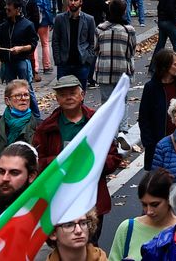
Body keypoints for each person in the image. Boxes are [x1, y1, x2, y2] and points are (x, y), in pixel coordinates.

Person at [33, 76, 123, 242]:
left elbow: (113, 157)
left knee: (90, 247)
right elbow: (37, 163)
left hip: (92, 201)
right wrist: (61, 163)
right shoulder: (46, 128)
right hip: (60, 201)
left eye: (72, 92)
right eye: (63, 93)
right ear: (57, 99)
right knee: (64, 248)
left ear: (82, 95)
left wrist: (91, 164)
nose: (69, 97)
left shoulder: (97, 122)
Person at [138, 50, 176, 170]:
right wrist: (149, 143)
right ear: (165, 67)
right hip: (159, 146)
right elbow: (144, 117)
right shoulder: (151, 88)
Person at [108, 168, 176, 260]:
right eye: (144, 204)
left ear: (169, 199)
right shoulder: (127, 228)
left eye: (155, 204)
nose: (149, 211)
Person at [0, 79, 40, 162]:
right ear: (7, 101)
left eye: (26, 95)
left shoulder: (40, 127)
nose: (23, 99)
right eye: (18, 95)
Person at [52, 0, 98, 91]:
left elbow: (92, 41)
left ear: (80, 2)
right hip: (64, 64)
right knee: (64, 95)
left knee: (80, 95)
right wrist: (58, 60)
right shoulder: (60, 19)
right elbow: (55, 40)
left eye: (75, 0)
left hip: (82, 63)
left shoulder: (89, 20)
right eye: (71, 0)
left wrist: (88, 59)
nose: (73, 3)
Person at [25, 0, 55, 75]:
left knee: (33, 44)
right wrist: (51, 21)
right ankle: (46, 66)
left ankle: (35, 67)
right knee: (45, 43)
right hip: (43, 22)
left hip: (31, 23)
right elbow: (47, 9)